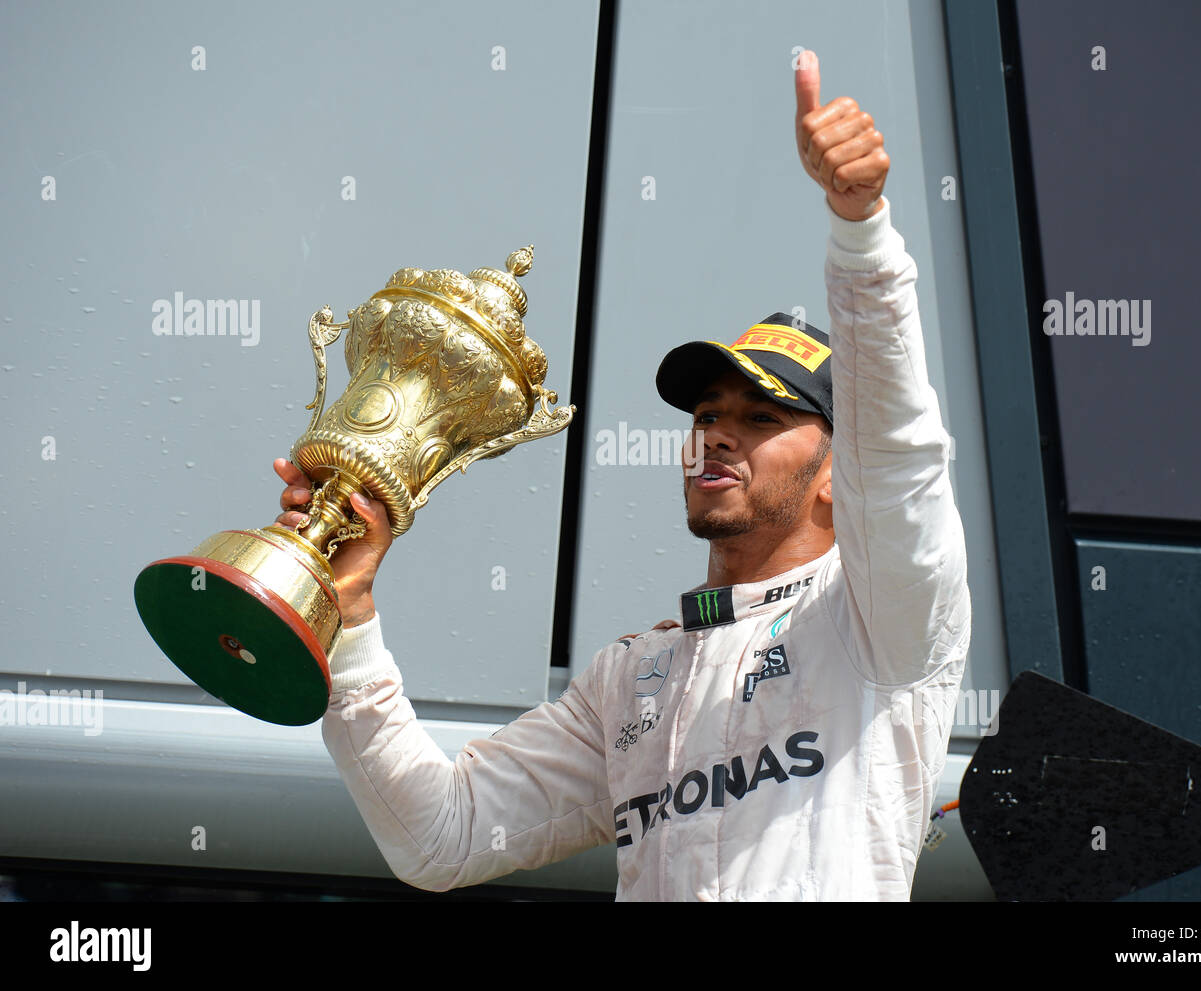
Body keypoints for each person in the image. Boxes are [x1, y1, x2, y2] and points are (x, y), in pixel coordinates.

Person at [272, 50, 970, 900]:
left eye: (762, 419)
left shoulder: (879, 620)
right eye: (708, 414)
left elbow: (897, 459)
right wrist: (348, 615)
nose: (716, 436)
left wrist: (860, 229)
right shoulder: (632, 677)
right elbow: (440, 836)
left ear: (835, 474)